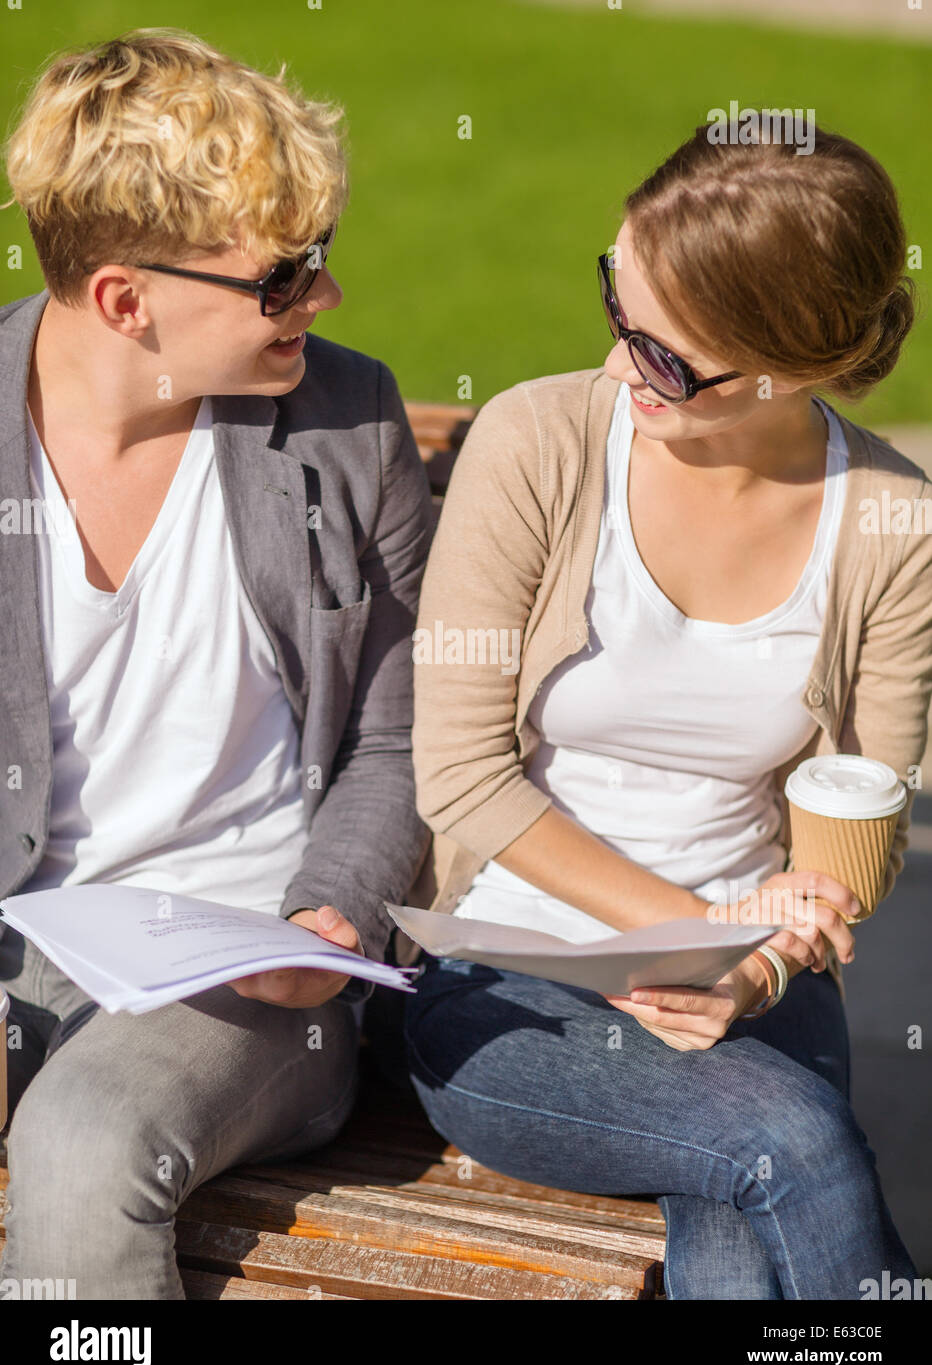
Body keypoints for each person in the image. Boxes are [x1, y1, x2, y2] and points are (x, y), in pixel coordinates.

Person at [405, 118, 932, 1299]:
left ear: (784, 371)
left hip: (759, 986)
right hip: (513, 976)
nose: (614, 369)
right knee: (787, 1143)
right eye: (615, 308)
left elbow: (861, 818)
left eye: (664, 358)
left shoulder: (891, 519)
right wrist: (693, 930)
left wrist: (750, 966)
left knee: (748, 1227)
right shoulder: (536, 442)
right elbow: (458, 775)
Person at [0, 28, 432, 1299]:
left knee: (80, 1147)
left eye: (317, 260)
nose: (323, 300)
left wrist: (333, 914)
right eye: (281, 278)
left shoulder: (347, 425)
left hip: (246, 963)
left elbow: (402, 735)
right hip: (25, 938)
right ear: (126, 300)